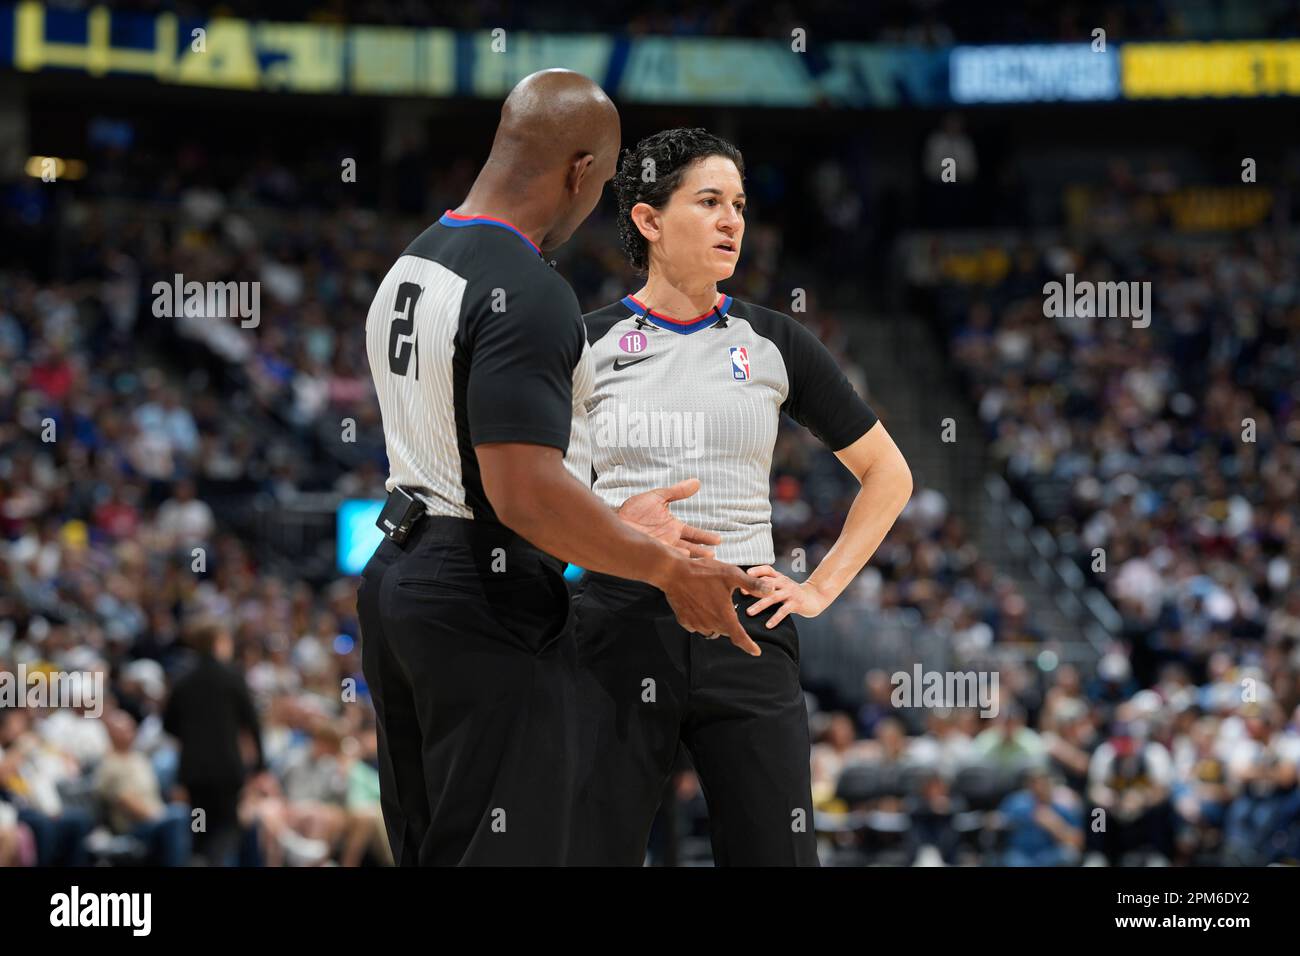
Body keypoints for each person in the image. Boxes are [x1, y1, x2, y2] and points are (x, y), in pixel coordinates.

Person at [358, 73, 767, 866]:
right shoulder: (528, 289)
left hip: (400, 576)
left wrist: (611, 524)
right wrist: (662, 568)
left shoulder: (416, 258)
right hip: (482, 592)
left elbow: (486, 469)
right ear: (581, 172)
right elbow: (522, 494)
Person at [568, 128, 913, 865]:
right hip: (618, 617)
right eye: (710, 202)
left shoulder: (773, 340)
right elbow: (546, 499)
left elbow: (890, 473)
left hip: (748, 617)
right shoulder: (585, 343)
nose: (733, 221)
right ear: (649, 220)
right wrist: (614, 527)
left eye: (740, 206)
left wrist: (818, 590)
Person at [163, 617, 265, 865]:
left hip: (193, 772)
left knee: (199, 823)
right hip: (226, 769)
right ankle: (212, 860)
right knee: (228, 825)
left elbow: (168, 725)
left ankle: (200, 857)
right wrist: (261, 765)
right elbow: (252, 723)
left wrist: (194, 738)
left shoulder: (183, 680)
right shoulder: (231, 677)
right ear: (219, 643)